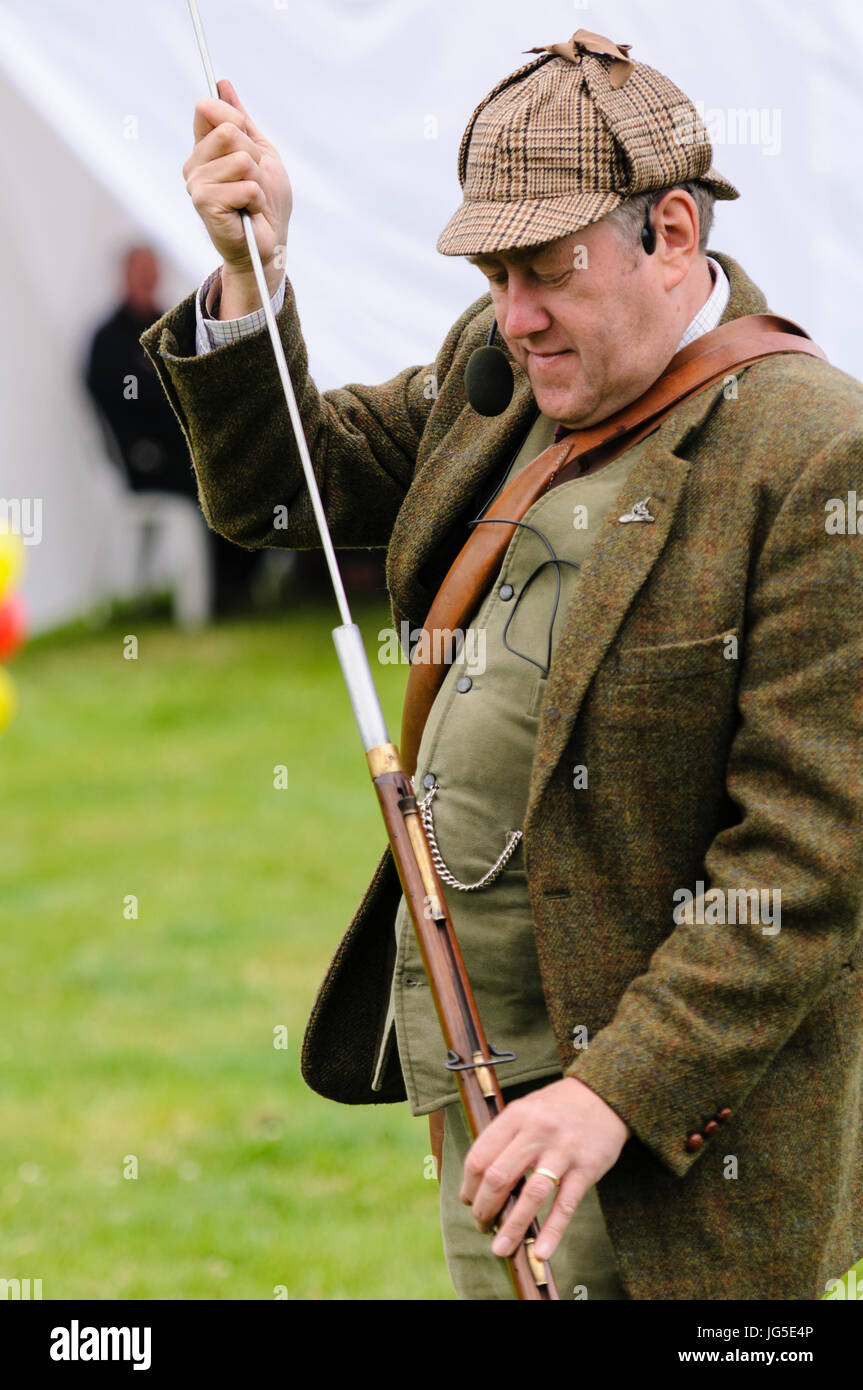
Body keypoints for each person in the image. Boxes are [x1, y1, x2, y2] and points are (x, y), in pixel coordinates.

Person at [140, 29, 863, 1300]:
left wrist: (607, 1094)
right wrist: (250, 272)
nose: (512, 314)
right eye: (491, 271)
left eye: (543, 271)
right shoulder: (511, 367)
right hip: (483, 1099)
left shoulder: (814, 452)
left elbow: (808, 857)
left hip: (672, 1151)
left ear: (673, 233)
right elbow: (278, 495)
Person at [86, 246, 264, 615]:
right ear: (125, 276)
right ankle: (214, 593)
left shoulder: (168, 326)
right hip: (146, 463)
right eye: (140, 272)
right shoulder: (109, 341)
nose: (148, 280)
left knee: (246, 475)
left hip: (187, 451)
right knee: (212, 486)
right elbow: (121, 405)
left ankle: (236, 582)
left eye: (152, 272)